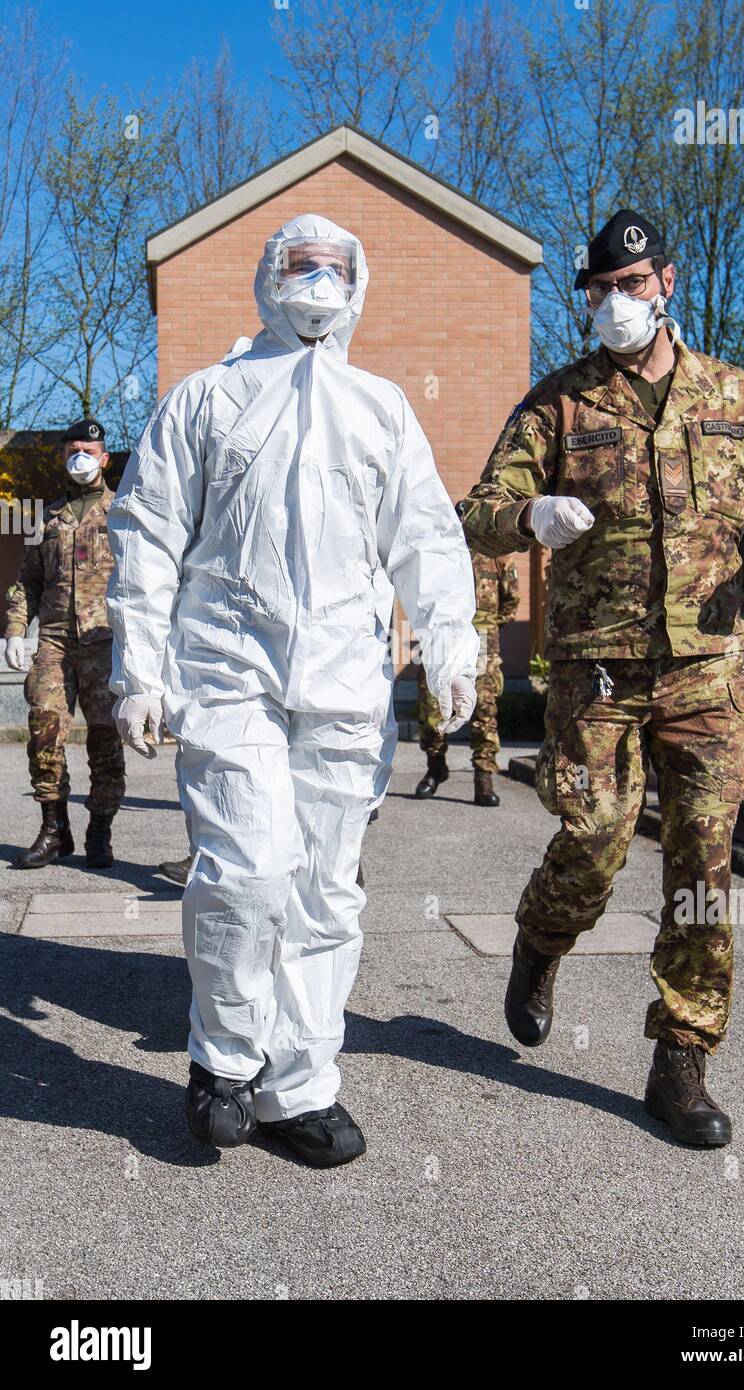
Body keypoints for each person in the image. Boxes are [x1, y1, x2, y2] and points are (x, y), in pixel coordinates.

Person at [458, 208, 744, 1148]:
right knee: (593, 837)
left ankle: (680, 1060)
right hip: (595, 671)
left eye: (630, 287)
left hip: (707, 672)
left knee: (703, 865)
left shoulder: (732, 396)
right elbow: (478, 511)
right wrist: (531, 518)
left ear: (666, 284)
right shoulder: (558, 404)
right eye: (599, 290)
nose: (614, 304)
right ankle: (541, 940)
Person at [107, 214, 478, 1167]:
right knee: (247, 873)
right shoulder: (211, 400)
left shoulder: (382, 409)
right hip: (230, 675)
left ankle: (299, 1087)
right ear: (269, 278)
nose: (317, 279)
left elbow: (427, 536)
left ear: (360, 283)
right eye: (301, 264)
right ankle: (223, 1060)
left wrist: (451, 644)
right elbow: (147, 530)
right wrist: (139, 666)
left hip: (347, 686)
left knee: (325, 894)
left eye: (335, 267)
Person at [4, 420, 125, 869]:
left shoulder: (124, 513)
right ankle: (55, 829)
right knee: (44, 729)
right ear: (63, 456)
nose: (80, 456)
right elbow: (26, 583)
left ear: (104, 458)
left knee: (105, 738)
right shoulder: (46, 518)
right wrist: (16, 631)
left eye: (88, 450)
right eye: (73, 449)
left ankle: (100, 831)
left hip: (104, 643)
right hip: (53, 643)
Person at [415, 549, 520, 806]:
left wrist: (484, 627)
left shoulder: (498, 555)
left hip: (483, 643)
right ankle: (436, 766)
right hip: (440, 639)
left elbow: (511, 601)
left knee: (484, 711)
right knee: (432, 709)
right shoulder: (439, 552)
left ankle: (483, 779)